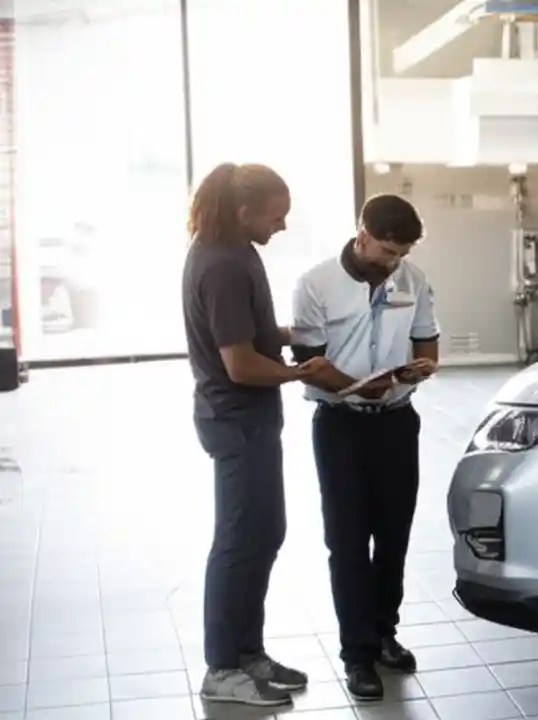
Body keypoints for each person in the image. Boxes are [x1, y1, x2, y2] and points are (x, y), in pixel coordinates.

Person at [182, 162, 331, 708]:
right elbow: (241, 364)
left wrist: (305, 333)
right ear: (244, 212)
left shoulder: (236, 251)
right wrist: (299, 372)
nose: (283, 226)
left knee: (264, 533)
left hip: (249, 420)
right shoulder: (222, 264)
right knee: (240, 540)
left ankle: (247, 653)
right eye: (277, 215)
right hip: (236, 419)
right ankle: (222, 666)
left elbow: (254, 334)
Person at [290, 194, 439, 701]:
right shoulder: (316, 284)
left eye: (401, 254)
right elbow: (309, 359)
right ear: (362, 234)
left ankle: (385, 635)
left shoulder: (413, 280)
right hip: (341, 426)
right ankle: (357, 654)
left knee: (393, 535)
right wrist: (355, 385)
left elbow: (427, 342)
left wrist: (421, 366)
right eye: (385, 251)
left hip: (397, 423)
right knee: (349, 542)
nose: (392, 262)